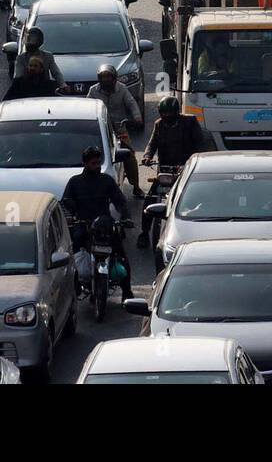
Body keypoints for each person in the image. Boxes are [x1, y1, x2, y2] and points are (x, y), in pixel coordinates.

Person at [62, 146, 131, 300]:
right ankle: (76, 286)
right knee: (73, 254)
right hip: (83, 225)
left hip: (104, 225)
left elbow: (120, 200)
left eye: (99, 163)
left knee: (120, 253)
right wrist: (71, 212)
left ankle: (127, 291)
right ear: (85, 164)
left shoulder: (106, 181)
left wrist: (126, 217)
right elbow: (66, 201)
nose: (97, 166)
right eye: (94, 163)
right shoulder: (75, 182)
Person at [139, 96, 210, 247]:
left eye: (169, 113)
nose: (166, 117)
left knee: (198, 198)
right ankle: (144, 233)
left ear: (177, 112)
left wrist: (191, 163)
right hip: (165, 170)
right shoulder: (159, 125)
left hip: (187, 170)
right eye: (163, 113)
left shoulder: (190, 123)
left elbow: (200, 145)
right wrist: (146, 157)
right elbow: (152, 144)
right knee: (150, 199)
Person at [88, 63, 144, 196]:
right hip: (100, 128)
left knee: (129, 155)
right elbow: (88, 105)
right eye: (103, 77)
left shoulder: (122, 89)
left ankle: (136, 186)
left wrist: (137, 117)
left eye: (109, 77)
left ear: (114, 78)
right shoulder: (93, 90)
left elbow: (131, 103)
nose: (106, 80)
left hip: (119, 128)